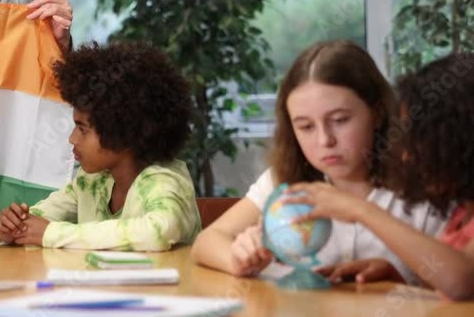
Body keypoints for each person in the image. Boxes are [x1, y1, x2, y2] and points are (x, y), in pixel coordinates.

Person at [191, 40, 447, 283]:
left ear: (378, 113)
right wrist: (237, 258)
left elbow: (458, 284)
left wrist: (398, 280)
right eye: (305, 127)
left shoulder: (425, 186)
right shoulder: (284, 179)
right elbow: (207, 241)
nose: (325, 140)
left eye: (340, 120)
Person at [284, 53, 474, 300]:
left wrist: (361, 211)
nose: (406, 156)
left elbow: (463, 282)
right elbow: (445, 291)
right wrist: (394, 275)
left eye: (421, 141)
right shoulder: (462, 213)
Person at [0, 42, 200, 250]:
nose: (72, 139)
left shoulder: (164, 181)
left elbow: (157, 232)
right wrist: (15, 227)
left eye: (82, 129)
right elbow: (38, 221)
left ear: (124, 132)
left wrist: (50, 233)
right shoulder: (91, 181)